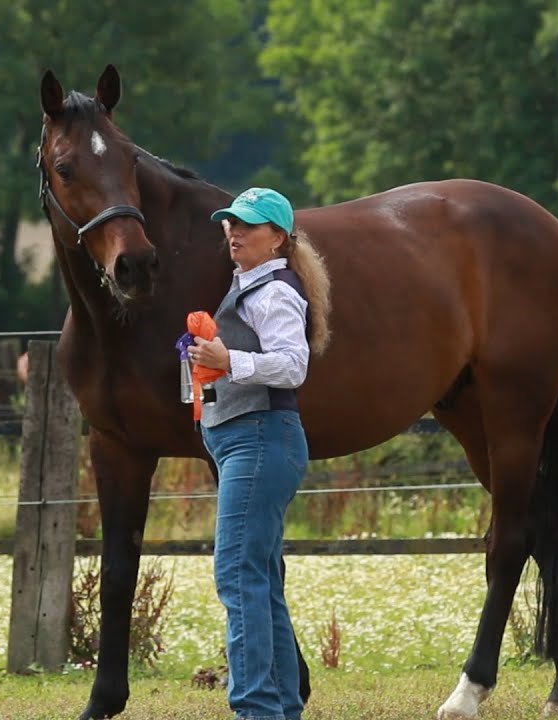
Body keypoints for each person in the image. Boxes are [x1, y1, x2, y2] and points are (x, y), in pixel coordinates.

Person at [188, 187, 330, 720]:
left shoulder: (274, 293)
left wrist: (229, 360)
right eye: (230, 223)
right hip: (247, 439)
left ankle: (256, 709)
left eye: (247, 224)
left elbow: (293, 366)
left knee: (237, 573)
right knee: (260, 578)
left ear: (277, 238)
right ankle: (279, 707)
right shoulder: (247, 287)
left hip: (260, 437)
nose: (234, 231)